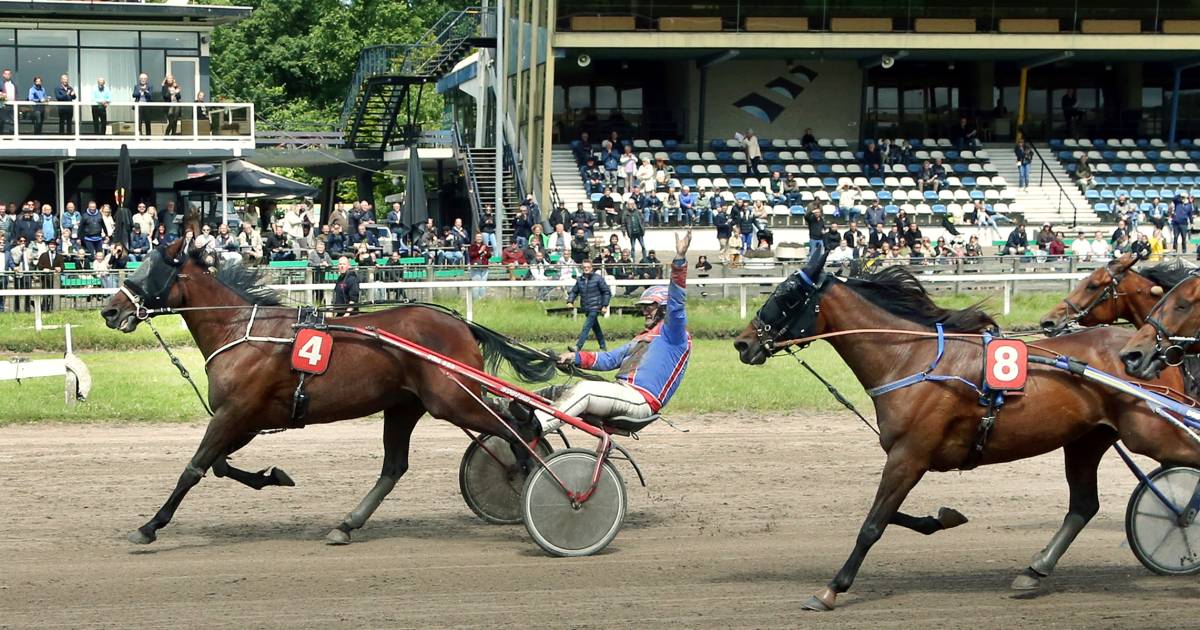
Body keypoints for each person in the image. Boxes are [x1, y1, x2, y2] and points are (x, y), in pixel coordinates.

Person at [540, 230, 694, 434]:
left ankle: (538, 426)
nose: (644, 310)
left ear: (664, 309)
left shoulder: (674, 334)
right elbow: (609, 359)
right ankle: (507, 408)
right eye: (643, 307)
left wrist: (679, 260)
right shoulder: (642, 339)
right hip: (623, 393)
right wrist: (574, 357)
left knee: (585, 390)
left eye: (650, 306)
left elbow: (677, 301)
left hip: (640, 400)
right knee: (558, 390)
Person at [567, 259, 610, 351]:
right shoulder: (580, 280)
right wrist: (570, 301)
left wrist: (604, 305)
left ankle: (578, 346)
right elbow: (574, 292)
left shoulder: (598, 278)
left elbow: (606, 292)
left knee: (586, 326)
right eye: (584, 267)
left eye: (588, 267)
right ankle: (603, 346)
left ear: (591, 268)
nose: (586, 269)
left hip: (595, 307)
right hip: (586, 307)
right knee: (596, 328)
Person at [467, 232, 491, 300]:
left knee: (483, 285)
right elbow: (471, 255)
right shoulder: (472, 246)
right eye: (477, 237)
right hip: (475, 268)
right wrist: (480, 251)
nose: (479, 238)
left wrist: (486, 252)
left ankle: (482, 300)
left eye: (480, 237)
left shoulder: (485, 246)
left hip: (484, 267)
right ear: (475, 238)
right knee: (476, 285)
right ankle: (476, 300)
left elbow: (489, 255)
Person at [0, 68, 15, 135]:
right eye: (6, 74)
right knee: (2, 121)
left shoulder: (13, 84)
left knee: (12, 121)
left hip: (13, 105)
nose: (7, 75)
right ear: (3, 75)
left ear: (11, 75)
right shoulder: (1, 83)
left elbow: (16, 94)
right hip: (3, 105)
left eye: (8, 74)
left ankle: (12, 137)